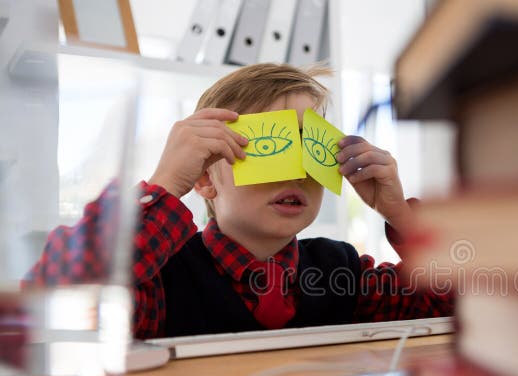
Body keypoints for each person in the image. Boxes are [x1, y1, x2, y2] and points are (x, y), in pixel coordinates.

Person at [25, 63, 453, 339]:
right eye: (270, 149)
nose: (296, 173)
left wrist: (400, 215)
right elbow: (52, 306)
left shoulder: (340, 271)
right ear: (206, 180)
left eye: (311, 151)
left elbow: (463, 309)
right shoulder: (157, 277)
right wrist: (164, 184)